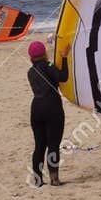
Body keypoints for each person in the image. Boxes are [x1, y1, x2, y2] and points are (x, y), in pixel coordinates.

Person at [25, 40, 67, 187]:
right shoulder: (48, 66)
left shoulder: (30, 72)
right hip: (52, 108)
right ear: (44, 53)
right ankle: (54, 179)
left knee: (39, 146)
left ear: (31, 56)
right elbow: (63, 77)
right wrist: (64, 58)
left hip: (36, 109)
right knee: (53, 144)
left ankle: (38, 180)